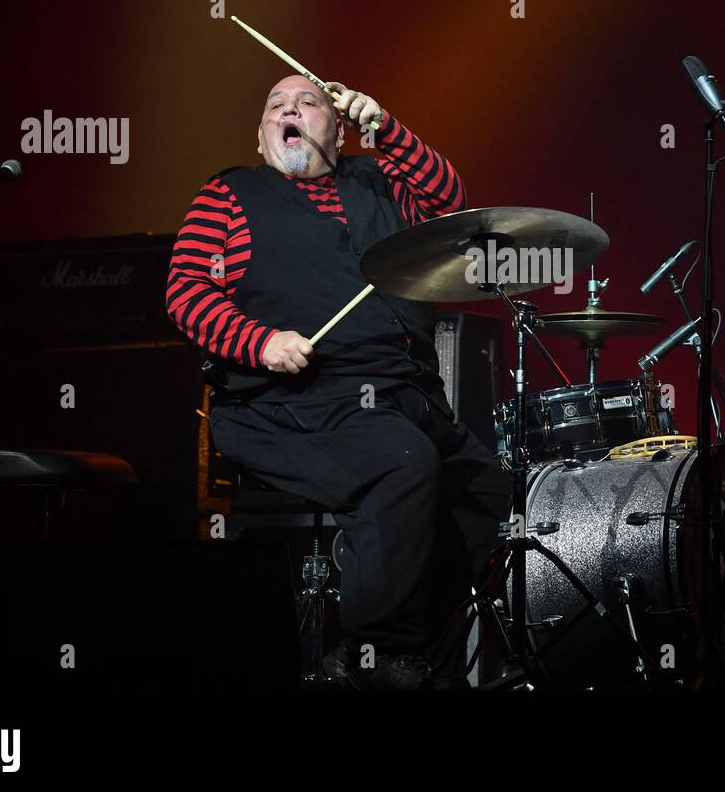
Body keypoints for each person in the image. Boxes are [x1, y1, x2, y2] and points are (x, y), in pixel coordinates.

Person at [166, 74, 510, 689]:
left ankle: (405, 647)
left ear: (341, 127)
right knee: (402, 464)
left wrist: (390, 131)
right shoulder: (229, 194)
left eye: (308, 103)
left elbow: (448, 200)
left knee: (487, 494)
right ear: (263, 134)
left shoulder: (377, 182)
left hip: (402, 394)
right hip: (287, 401)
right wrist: (262, 343)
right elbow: (187, 292)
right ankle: (374, 655)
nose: (289, 111)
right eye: (276, 105)